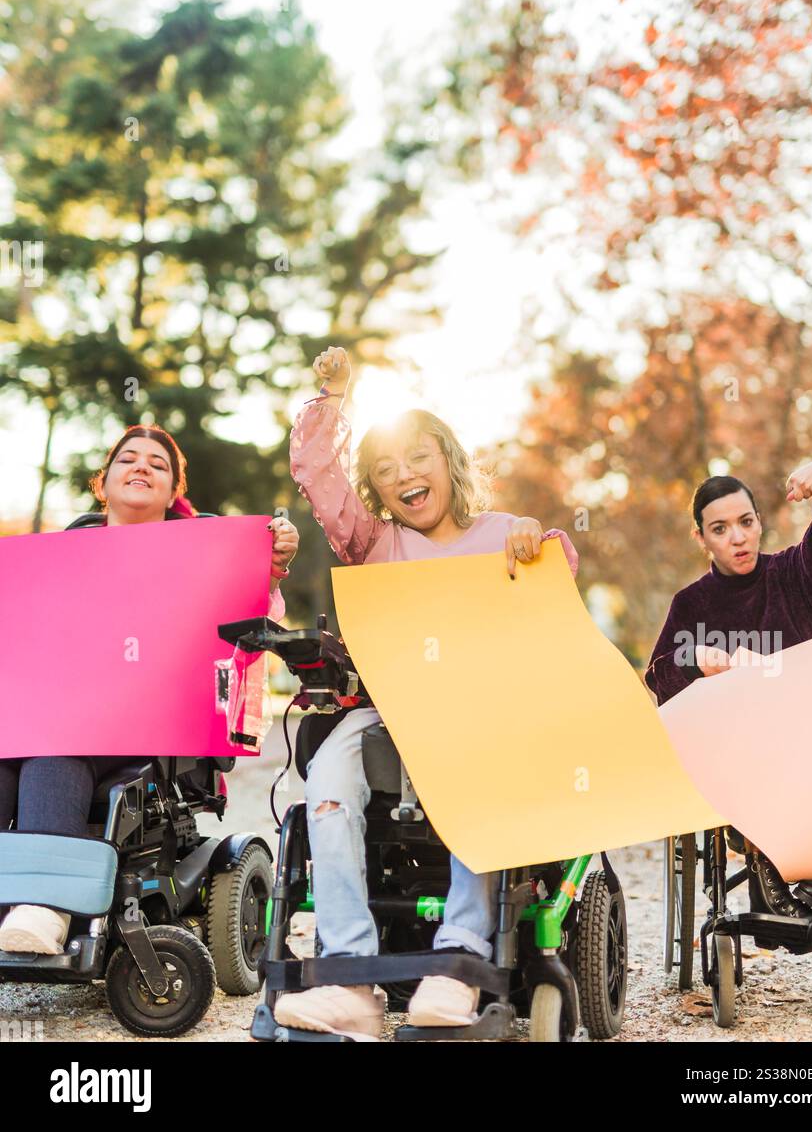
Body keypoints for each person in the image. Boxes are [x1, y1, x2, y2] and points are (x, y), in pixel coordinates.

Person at [274, 346, 580, 1040]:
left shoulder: (502, 534)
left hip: (481, 711)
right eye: (384, 471)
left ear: (449, 460)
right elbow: (320, 479)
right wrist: (333, 399)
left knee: (479, 776)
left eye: (417, 458)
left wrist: (543, 539)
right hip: (393, 710)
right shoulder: (377, 544)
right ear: (378, 494)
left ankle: (457, 961)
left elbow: (557, 574)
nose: (403, 475)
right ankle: (350, 976)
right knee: (326, 776)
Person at [0, 424, 298, 955]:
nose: (141, 467)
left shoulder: (200, 554)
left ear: (172, 491)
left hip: (149, 720)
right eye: (128, 459)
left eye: (157, 465)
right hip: (57, 708)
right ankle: (18, 901)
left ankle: (46, 904)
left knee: (54, 751)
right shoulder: (61, 556)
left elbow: (252, 620)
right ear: (104, 481)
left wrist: (268, 571)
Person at [645, 462, 812, 920]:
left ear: (759, 522)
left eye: (746, 522)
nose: (738, 538)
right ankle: (786, 872)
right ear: (701, 538)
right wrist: (695, 660)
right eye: (720, 529)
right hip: (744, 767)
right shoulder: (691, 605)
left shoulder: (792, 575)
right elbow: (658, 678)